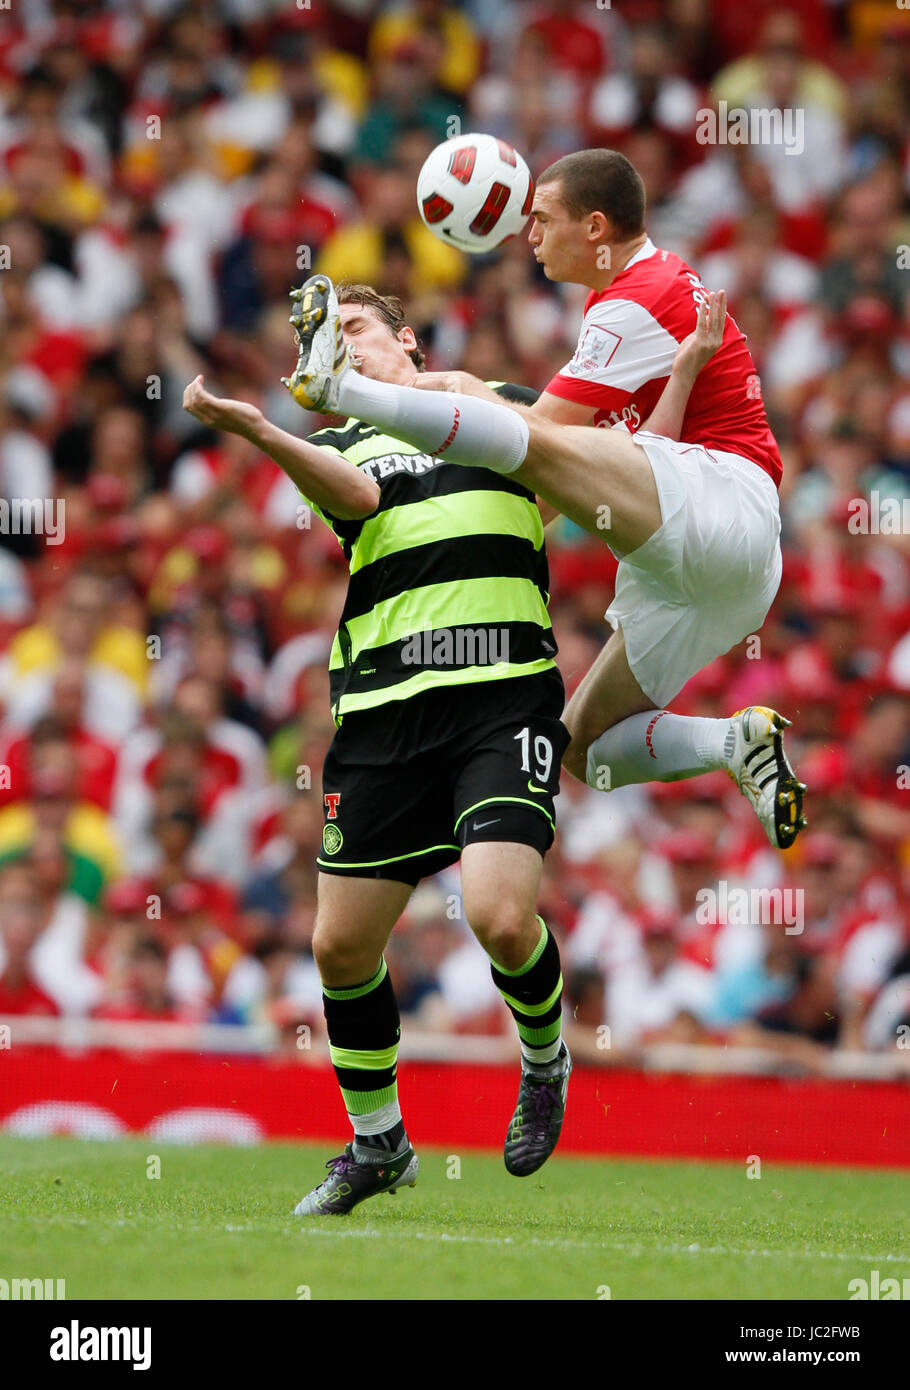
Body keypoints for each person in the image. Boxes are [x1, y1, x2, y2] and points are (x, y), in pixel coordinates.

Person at [183, 277, 725, 1215]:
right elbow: (356, 499)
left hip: (500, 702)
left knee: (502, 917)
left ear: (411, 345)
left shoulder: (500, 411)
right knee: (340, 949)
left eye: (356, 328)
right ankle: (378, 1143)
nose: (343, 344)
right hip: (383, 716)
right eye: (331, 334)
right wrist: (263, 432)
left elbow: (627, 471)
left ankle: (546, 1061)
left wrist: (682, 371)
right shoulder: (343, 442)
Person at [283, 149, 807, 852]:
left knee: (502, 413)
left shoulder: (636, 297)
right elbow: (580, 474)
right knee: (584, 750)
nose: (530, 235)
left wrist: (416, 391)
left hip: (722, 507)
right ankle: (735, 744)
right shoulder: (621, 301)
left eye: (543, 220)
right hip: (708, 572)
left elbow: (540, 433)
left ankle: (335, 388)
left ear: (595, 228)